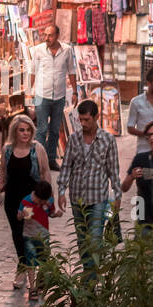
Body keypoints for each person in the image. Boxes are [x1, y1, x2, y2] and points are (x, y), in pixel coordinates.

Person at [56, 98, 121, 270]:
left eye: (87, 120)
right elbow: (66, 166)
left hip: (98, 198)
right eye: (81, 119)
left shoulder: (107, 140)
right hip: (77, 198)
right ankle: (88, 274)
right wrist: (61, 192)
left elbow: (113, 169)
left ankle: (89, 282)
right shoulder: (73, 139)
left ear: (96, 117)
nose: (83, 123)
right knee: (82, 240)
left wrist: (118, 194)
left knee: (94, 240)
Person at [0, 114, 51, 291]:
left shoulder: (37, 148)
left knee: (33, 235)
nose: (25, 133)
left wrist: (48, 198)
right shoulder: (7, 149)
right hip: (12, 199)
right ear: (15, 132)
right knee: (17, 235)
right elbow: (3, 171)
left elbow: (45, 172)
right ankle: (23, 267)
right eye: (21, 130)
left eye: (28, 130)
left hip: (32, 201)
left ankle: (42, 271)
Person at [27, 24, 77, 171]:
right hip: (42, 95)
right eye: (46, 35)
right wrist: (29, 92)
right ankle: (38, 163)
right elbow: (32, 71)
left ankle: (50, 160)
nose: (47, 38)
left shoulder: (67, 50)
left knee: (55, 130)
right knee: (41, 130)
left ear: (57, 36)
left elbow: (71, 71)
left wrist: (74, 91)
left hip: (59, 97)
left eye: (50, 35)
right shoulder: (38, 51)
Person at [17, 180, 55, 300]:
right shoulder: (26, 201)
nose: (43, 203)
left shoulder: (48, 201)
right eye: (41, 201)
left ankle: (40, 283)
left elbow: (51, 213)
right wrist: (22, 215)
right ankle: (32, 288)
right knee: (31, 261)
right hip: (29, 236)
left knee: (44, 259)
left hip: (44, 236)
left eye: (45, 200)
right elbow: (18, 217)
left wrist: (56, 214)